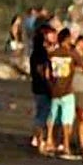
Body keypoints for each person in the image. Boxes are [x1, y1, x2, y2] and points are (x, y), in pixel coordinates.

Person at [46, 27, 77, 156]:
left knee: (52, 117)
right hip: (67, 91)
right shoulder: (71, 54)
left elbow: (47, 74)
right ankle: (66, 145)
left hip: (54, 90)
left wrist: (51, 85)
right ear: (67, 39)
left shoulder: (52, 54)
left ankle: (49, 140)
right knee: (67, 120)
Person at [28, 23, 54, 153]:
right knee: (43, 116)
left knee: (40, 114)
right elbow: (43, 72)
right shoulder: (41, 54)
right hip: (43, 88)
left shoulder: (34, 54)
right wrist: (50, 85)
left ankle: (39, 140)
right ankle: (40, 141)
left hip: (36, 87)